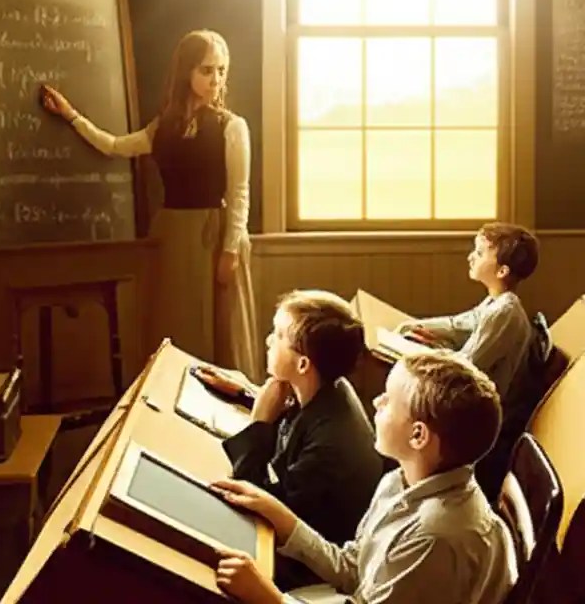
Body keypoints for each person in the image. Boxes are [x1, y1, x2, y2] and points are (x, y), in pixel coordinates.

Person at [209, 352, 517, 604]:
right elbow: (355, 568)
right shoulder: (401, 480)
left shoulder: (436, 538)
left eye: (388, 401)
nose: (376, 402)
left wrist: (269, 599)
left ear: (418, 435)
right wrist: (283, 519)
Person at [39, 30, 260, 382]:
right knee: (177, 326)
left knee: (217, 333)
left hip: (212, 235)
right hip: (172, 236)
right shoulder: (164, 127)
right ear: (186, 72)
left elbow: (240, 193)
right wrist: (71, 116)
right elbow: (114, 146)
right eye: (206, 70)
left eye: (221, 70)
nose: (215, 79)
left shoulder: (232, 127)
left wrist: (231, 250)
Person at [221, 290, 384, 565]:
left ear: (303, 364)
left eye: (279, 335)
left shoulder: (329, 446)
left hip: (307, 562)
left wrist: (259, 423)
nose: (269, 340)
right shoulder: (328, 387)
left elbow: (257, 504)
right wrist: (244, 394)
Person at [396, 222, 540, 403]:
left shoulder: (505, 312)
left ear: (502, 271)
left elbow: (468, 365)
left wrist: (427, 356)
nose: (470, 257)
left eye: (479, 253)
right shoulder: (493, 302)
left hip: (486, 408)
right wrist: (416, 326)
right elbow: (457, 325)